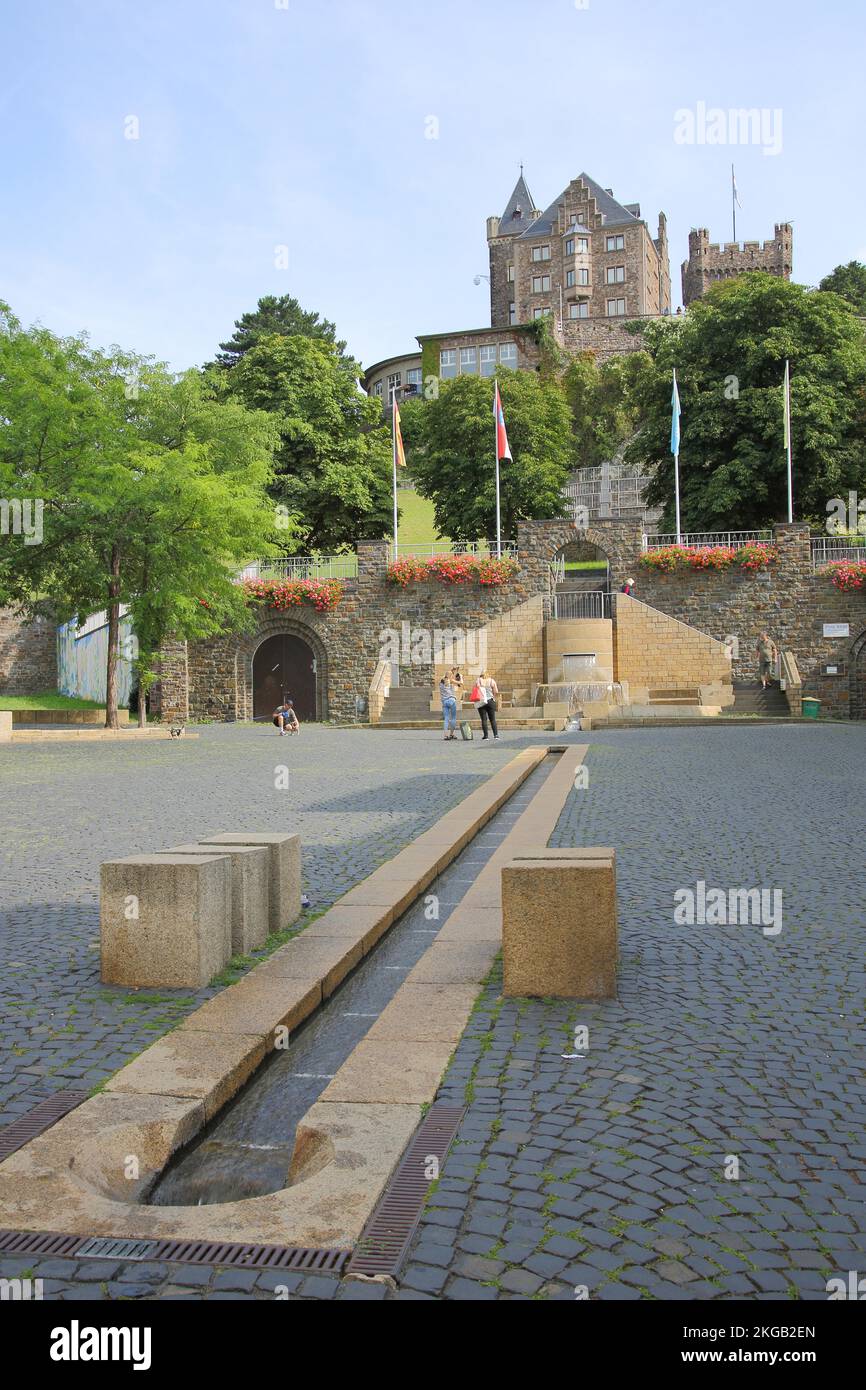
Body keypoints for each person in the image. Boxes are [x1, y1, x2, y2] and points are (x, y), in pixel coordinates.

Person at [473, 670, 500, 741]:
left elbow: (475, 689)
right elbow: (496, 691)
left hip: (481, 701)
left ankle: (486, 736)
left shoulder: (478, 680)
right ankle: (496, 735)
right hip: (490, 701)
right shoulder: (491, 681)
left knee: (484, 719)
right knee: (492, 719)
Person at [439, 667, 461, 741]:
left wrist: (452, 671)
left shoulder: (441, 682)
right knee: (453, 718)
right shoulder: (451, 682)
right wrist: (460, 676)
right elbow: (461, 683)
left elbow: (446, 676)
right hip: (451, 700)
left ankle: (445, 735)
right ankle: (451, 734)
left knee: (446, 718)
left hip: (444, 702)